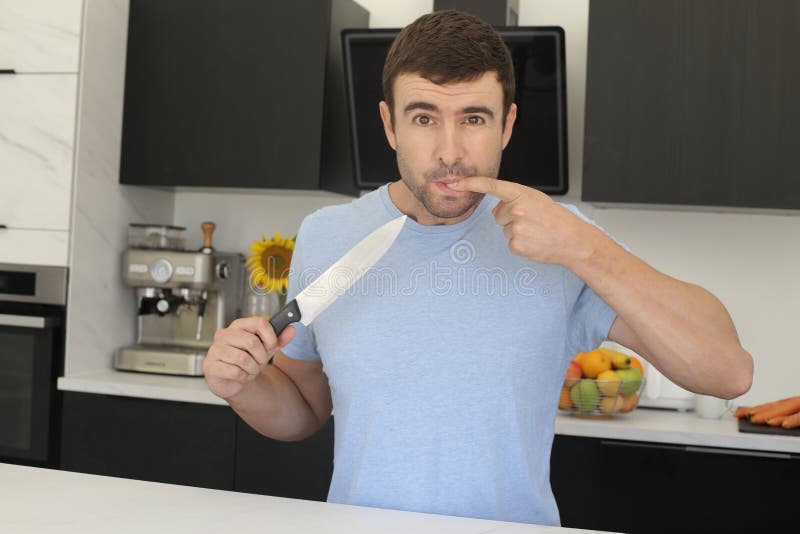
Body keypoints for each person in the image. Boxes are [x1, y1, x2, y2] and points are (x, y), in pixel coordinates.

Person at [203, 10, 753, 526]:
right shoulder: (328, 236)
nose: (450, 151)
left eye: (474, 118)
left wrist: (584, 247)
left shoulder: (561, 237)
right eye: (424, 118)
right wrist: (244, 384)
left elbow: (727, 373)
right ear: (389, 124)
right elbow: (304, 408)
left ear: (507, 125)